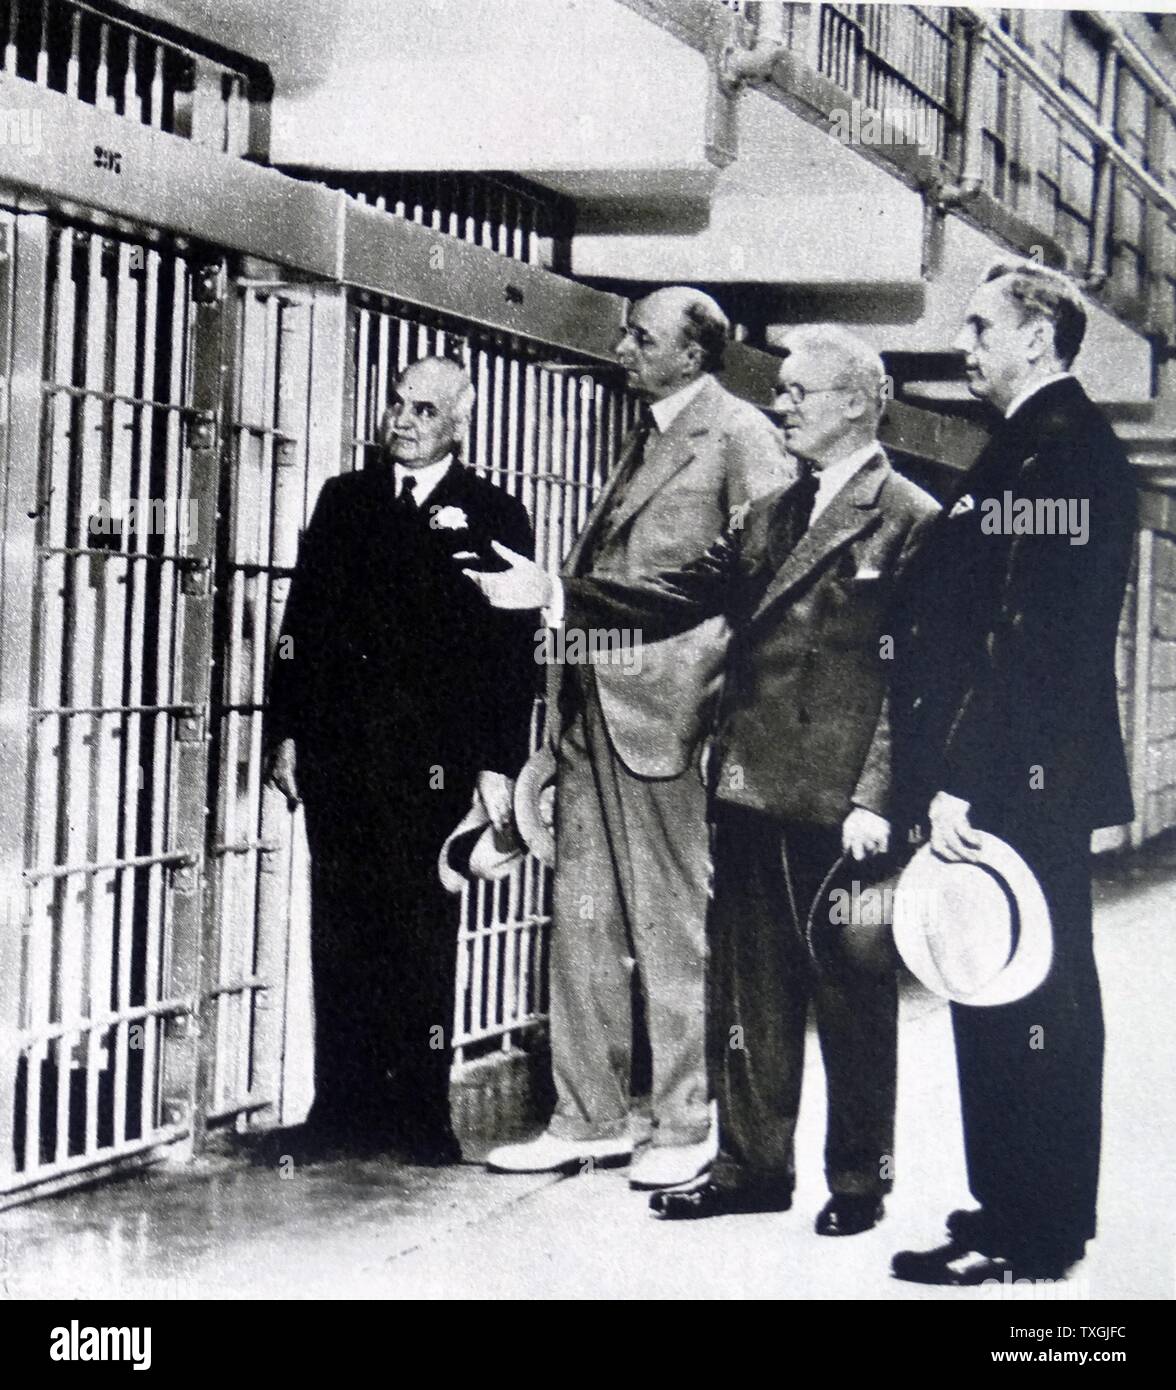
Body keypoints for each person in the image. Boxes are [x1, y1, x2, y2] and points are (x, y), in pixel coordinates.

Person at [472, 325, 937, 1227]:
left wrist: (878, 799)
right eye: (785, 390)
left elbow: (911, 680)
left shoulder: (910, 516)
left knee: (851, 994)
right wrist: (559, 596)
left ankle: (858, 1183)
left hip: (842, 804)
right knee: (751, 991)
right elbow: (678, 595)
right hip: (750, 785)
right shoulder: (771, 517)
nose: (784, 404)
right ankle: (750, 1171)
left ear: (855, 402)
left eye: (801, 391)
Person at [481, 288, 786, 1189]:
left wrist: (721, 717)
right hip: (596, 712)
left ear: (693, 356)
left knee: (671, 928)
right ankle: (589, 1117)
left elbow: (754, 588)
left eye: (641, 337)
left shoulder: (740, 436)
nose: (622, 347)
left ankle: (688, 1119)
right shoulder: (651, 432)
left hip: (670, 721)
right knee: (580, 925)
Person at [891, 261, 1136, 1283]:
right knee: (991, 981)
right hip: (1011, 769)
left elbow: (1031, 635)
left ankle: (1039, 1232)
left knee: (1035, 994)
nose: (966, 342)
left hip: (1024, 774)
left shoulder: (1067, 454)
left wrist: (966, 775)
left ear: (1039, 338)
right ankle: (1005, 1205)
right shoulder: (1026, 450)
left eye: (983, 325)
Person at [263, 355, 536, 1164]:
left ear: (460, 422)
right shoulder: (344, 501)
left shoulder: (494, 512)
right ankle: (340, 1108)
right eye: (395, 403)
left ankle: (420, 1113)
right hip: (341, 756)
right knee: (341, 927)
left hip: (435, 764)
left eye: (423, 409)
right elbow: (302, 619)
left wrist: (496, 761)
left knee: (422, 928)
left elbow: (508, 650)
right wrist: (288, 730)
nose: (403, 420)